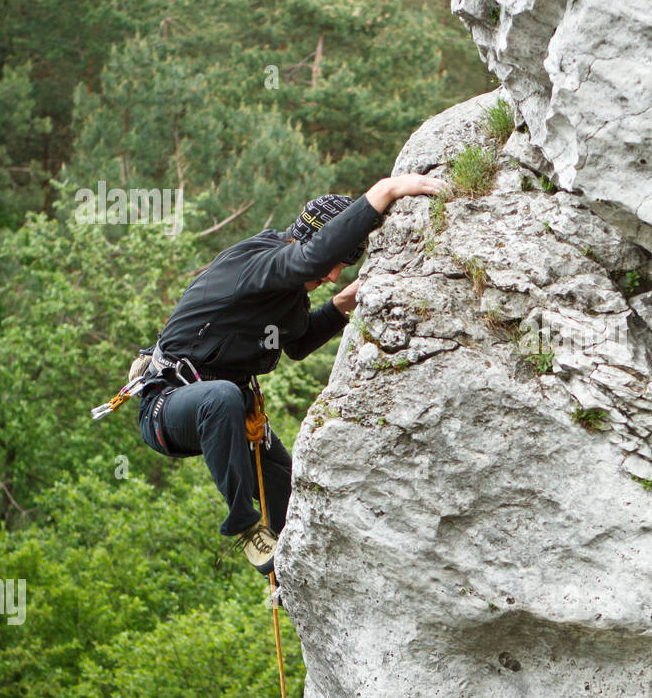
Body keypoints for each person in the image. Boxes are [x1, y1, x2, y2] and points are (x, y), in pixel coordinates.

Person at [135, 173, 448, 579]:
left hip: (228, 413)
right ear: (310, 241)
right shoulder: (256, 261)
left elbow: (297, 344)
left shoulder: (286, 294)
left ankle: (292, 584)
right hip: (167, 406)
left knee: (291, 493)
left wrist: (339, 306)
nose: (334, 275)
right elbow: (308, 260)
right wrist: (383, 192)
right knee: (223, 397)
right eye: (335, 263)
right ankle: (244, 526)